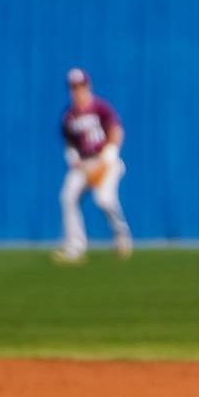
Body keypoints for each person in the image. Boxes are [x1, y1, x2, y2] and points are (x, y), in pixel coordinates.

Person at [55, 68, 131, 264]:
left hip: (106, 159)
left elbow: (116, 131)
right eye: (73, 87)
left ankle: (121, 234)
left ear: (88, 86)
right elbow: (70, 144)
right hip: (84, 164)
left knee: (104, 199)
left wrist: (106, 160)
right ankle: (75, 248)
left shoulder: (100, 107)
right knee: (68, 197)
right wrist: (74, 159)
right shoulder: (69, 116)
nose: (77, 91)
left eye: (80, 86)